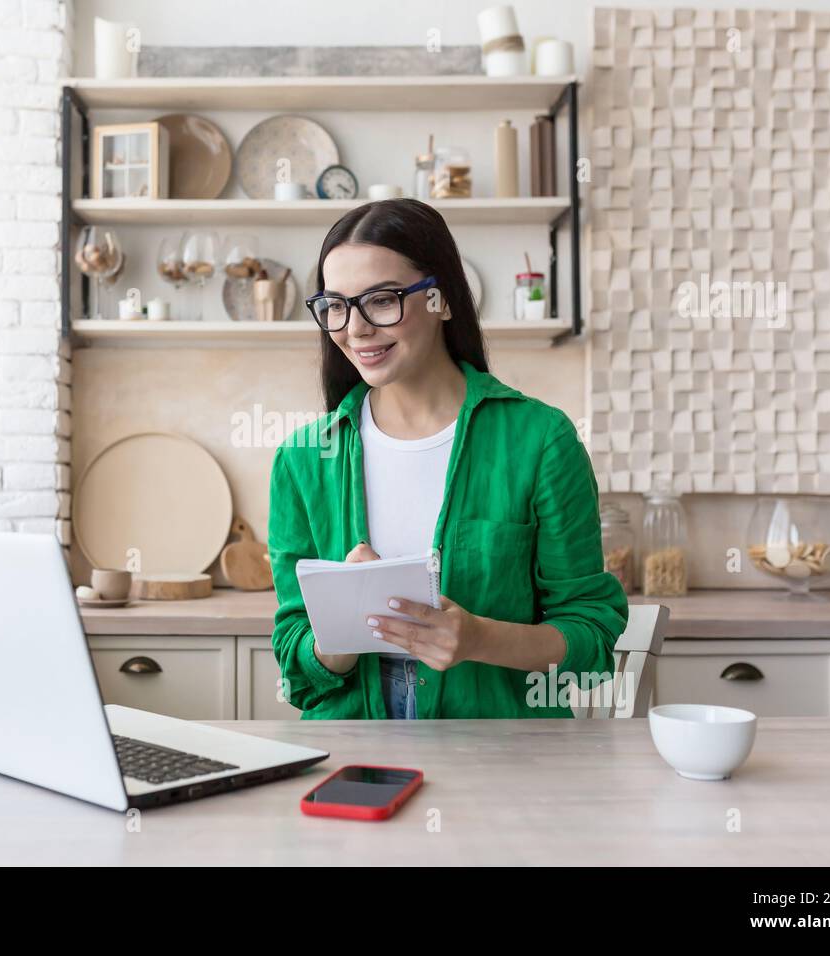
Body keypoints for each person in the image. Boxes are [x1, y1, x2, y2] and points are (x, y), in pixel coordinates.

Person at [267, 198, 627, 719]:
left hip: (499, 750)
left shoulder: (541, 440)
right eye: (336, 306)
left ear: (442, 300)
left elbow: (591, 637)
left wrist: (480, 639)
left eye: (382, 300)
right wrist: (341, 629)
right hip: (353, 749)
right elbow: (295, 667)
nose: (356, 328)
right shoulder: (302, 459)